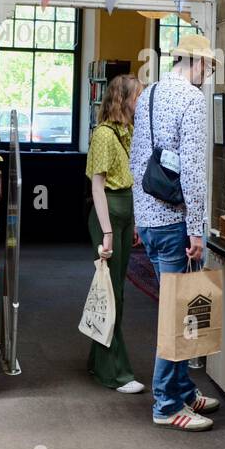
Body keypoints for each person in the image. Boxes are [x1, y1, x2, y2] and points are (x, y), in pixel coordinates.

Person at [130, 34, 219, 431]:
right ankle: (166, 404)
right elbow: (196, 173)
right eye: (210, 68)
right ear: (197, 63)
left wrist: (138, 216)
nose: (208, 76)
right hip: (174, 223)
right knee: (177, 316)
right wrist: (197, 230)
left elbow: (137, 159)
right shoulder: (192, 100)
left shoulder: (148, 93)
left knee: (180, 309)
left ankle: (183, 390)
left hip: (148, 218)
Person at [84, 73, 144, 394]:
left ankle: (98, 360)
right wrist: (107, 231)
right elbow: (98, 186)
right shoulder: (105, 135)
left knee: (113, 290)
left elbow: (132, 177)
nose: (141, 101)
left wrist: (133, 222)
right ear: (123, 99)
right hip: (108, 214)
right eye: (137, 96)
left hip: (125, 212)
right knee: (112, 296)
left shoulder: (129, 131)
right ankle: (115, 373)